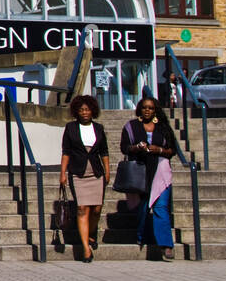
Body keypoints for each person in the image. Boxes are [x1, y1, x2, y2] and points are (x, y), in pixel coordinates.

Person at [121, 96, 177, 260]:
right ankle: (141, 236)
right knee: (143, 207)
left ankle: (166, 246)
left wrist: (159, 150)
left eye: (151, 108)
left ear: (155, 110)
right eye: (145, 107)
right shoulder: (131, 126)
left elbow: (172, 150)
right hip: (140, 172)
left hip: (160, 171)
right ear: (140, 109)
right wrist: (137, 147)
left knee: (160, 208)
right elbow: (125, 147)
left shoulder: (163, 127)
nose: (147, 110)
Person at [58, 95, 109, 263]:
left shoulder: (99, 128)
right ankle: (86, 248)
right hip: (78, 173)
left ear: (92, 111)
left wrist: (107, 171)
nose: (84, 112)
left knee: (96, 209)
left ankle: (92, 232)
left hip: (96, 172)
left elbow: (104, 152)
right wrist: (63, 173)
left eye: (87, 109)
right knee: (82, 209)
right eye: (81, 110)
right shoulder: (71, 128)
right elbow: (66, 151)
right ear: (76, 112)